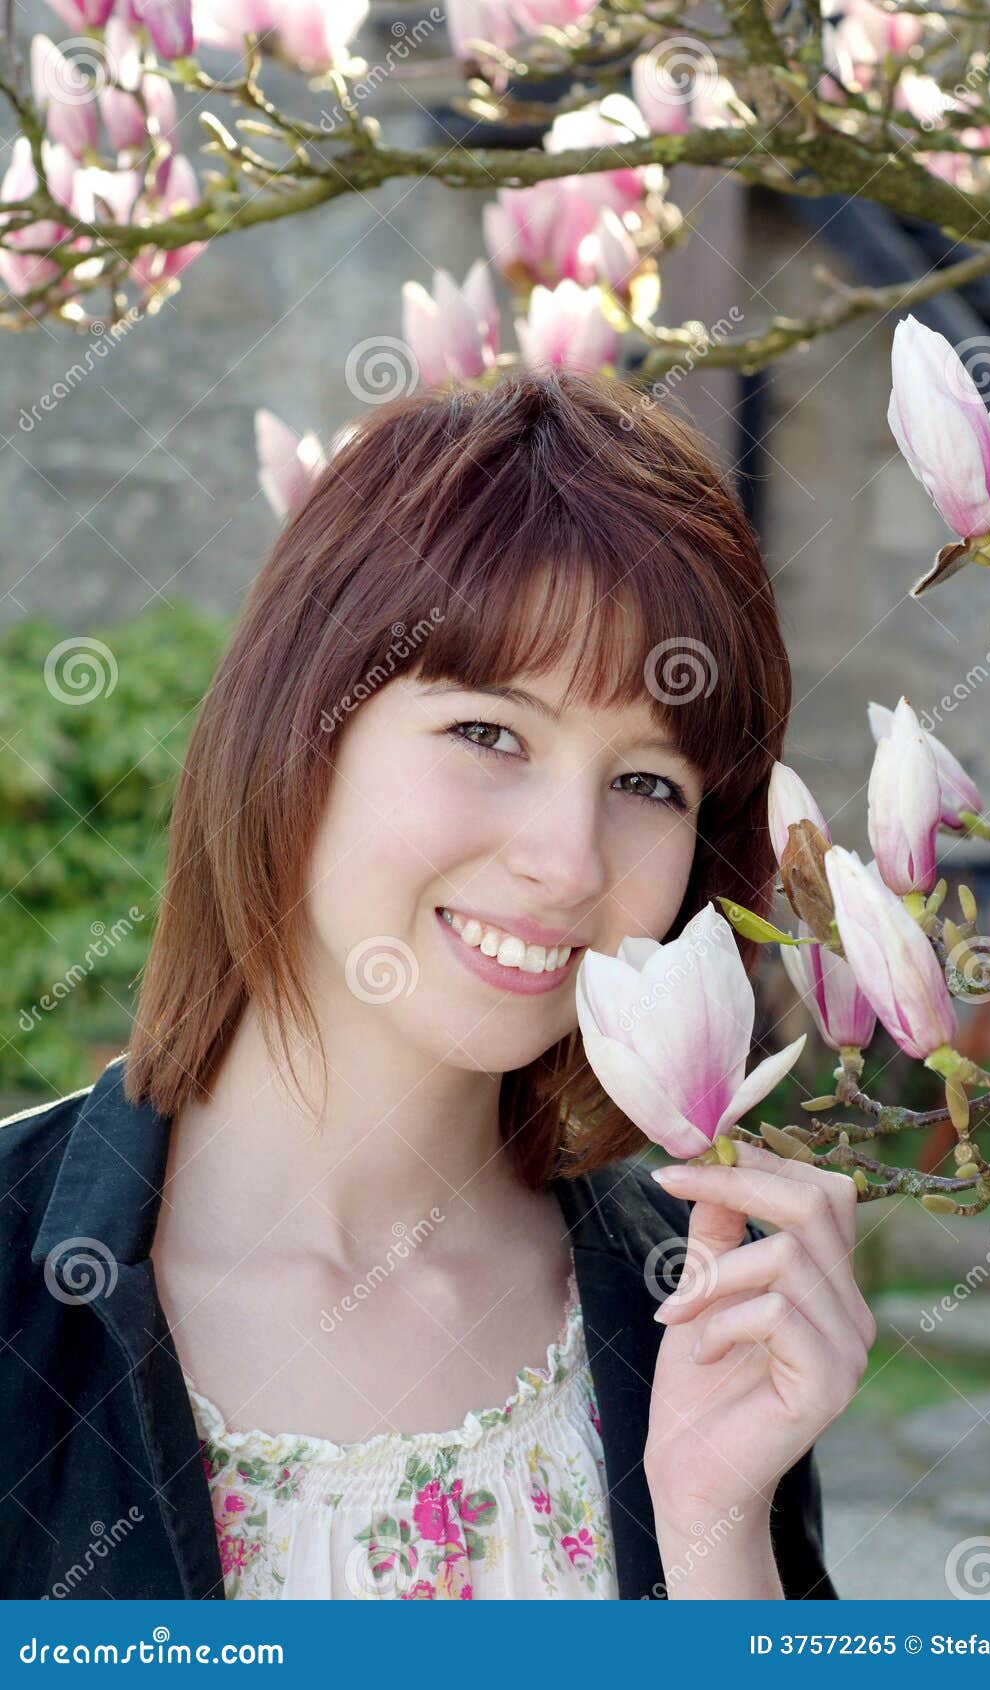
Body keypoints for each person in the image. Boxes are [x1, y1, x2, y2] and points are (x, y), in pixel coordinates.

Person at [0, 369, 873, 1601]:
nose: (569, 862)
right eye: (489, 733)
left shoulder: (698, 1299)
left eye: (647, 784)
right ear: (298, 724)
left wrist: (714, 1529)